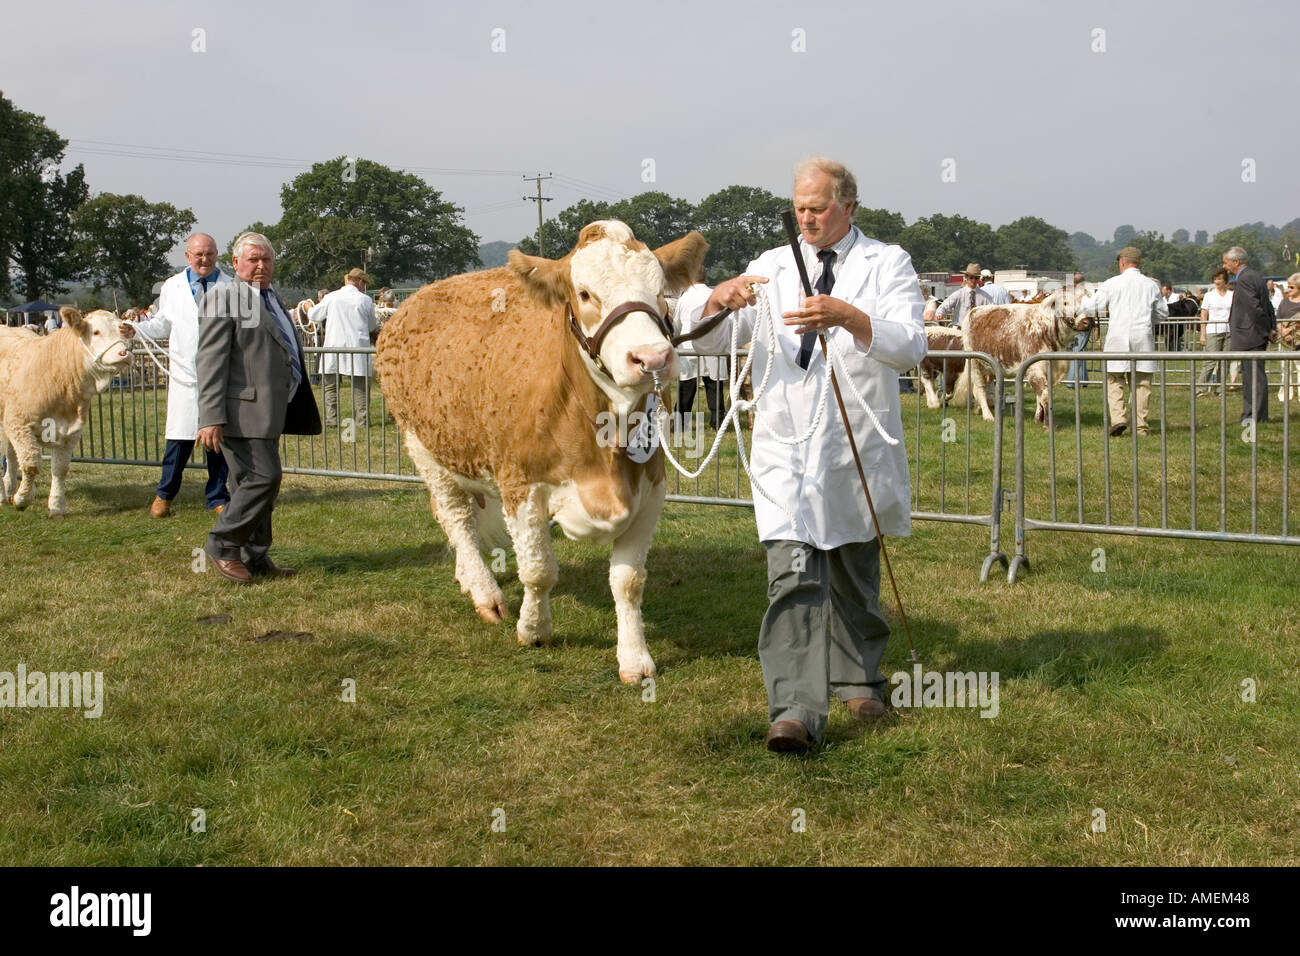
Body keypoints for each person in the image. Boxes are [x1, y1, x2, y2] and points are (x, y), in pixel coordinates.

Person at [681, 157, 925, 752]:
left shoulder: (887, 263)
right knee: (791, 578)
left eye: (817, 207)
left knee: (851, 573)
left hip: (855, 450)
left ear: (848, 206)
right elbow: (712, 339)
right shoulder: (769, 268)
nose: (806, 218)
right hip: (785, 452)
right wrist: (718, 298)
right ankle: (793, 708)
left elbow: (912, 346)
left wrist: (850, 316)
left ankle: (859, 678)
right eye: (799, 208)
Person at [196, 231, 321, 584]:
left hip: (269, 412)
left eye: (266, 260)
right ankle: (223, 543)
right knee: (266, 478)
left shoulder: (270, 298)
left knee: (253, 484)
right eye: (253, 260)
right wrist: (210, 418)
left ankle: (255, 556)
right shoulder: (225, 298)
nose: (261, 266)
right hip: (240, 413)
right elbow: (210, 362)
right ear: (235, 264)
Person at [119, 232, 233, 518]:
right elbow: (161, 323)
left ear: (216, 254)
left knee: (217, 440)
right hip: (184, 376)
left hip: (220, 376)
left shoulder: (231, 286)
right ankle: (164, 495)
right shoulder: (172, 286)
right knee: (179, 440)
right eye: (198, 254)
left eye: (209, 254)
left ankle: (218, 496)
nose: (204, 260)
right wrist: (137, 330)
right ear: (188, 256)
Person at [1079, 246, 1167, 436]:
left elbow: (1092, 307)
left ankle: (1119, 419)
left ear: (1122, 263)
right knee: (1142, 384)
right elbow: (1162, 313)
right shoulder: (1151, 285)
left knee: (1115, 380)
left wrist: (1081, 301)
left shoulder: (1111, 283)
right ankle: (1141, 426)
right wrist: (1149, 320)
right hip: (1142, 336)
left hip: (1117, 336)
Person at [309, 268, 378, 427]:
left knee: (330, 387)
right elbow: (371, 325)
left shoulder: (331, 297)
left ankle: (331, 420)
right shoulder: (365, 300)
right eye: (364, 284)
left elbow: (314, 316)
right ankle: (362, 421)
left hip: (333, 346)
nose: (364, 287)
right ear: (360, 282)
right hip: (357, 347)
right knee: (360, 388)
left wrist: (307, 307)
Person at [1223, 245, 1276, 424]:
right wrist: (1271, 327)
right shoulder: (1255, 276)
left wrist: (1265, 330)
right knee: (1255, 377)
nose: (1224, 266)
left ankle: (1253, 416)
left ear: (1236, 261)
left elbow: (1255, 309)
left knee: (1253, 379)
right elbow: (1267, 306)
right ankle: (1256, 415)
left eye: (1226, 262)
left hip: (1250, 335)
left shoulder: (1245, 279)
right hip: (1255, 333)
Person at [673, 266, 727, 430]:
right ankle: (717, 422)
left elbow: (676, 324)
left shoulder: (684, 298)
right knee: (713, 385)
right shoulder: (713, 294)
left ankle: (681, 422)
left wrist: (674, 340)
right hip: (712, 344)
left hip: (689, 346)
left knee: (687, 385)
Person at [1197, 268, 1233, 395]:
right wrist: (1203, 334)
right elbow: (1203, 315)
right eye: (1215, 279)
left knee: (1225, 362)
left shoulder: (1232, 295)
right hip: (1213, 330)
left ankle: (1220, 389)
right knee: (1210, 361)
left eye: (1220, 279)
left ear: (1225, 281)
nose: (1217, 281)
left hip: (1229, 331)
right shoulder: (1209, 295)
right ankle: (1199, 388)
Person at [935, 263, 991, 329]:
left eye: (976, 278)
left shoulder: (985, 296)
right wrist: (939, 314)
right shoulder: (959, 294)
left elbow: (991, 311)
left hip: (977, 330)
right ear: (966, 276)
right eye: (971, 277)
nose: (973, 280)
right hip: (960, 329)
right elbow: (945, 305)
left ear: (979, 278)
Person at [1066, 272, 1093, 388]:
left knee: (1077, 352)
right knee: (1078, 352)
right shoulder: (1084, 294)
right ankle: (1073, 381)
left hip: (1072, 326)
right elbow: (1090, 310)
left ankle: (1082, 380)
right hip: (1082, 326)